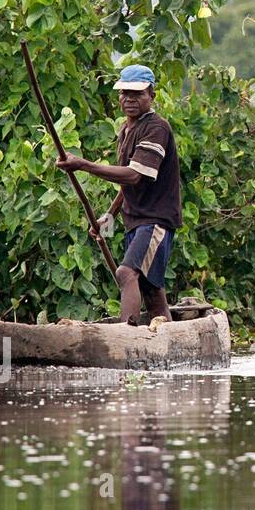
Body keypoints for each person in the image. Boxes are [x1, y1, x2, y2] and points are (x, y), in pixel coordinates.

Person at [55, 64, 182, 325]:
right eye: (124, 94)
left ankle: (128, 337)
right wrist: (109, 216)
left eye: (137, 94)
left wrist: (84, 165)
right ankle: (167, 338)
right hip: (136, 219)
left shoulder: (157, 128)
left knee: (126, 273)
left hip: (155, 219)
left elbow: (135, 175)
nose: (129, 100)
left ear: (152, 96)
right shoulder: (126, 130)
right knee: (149, 286)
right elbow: (129, 182)